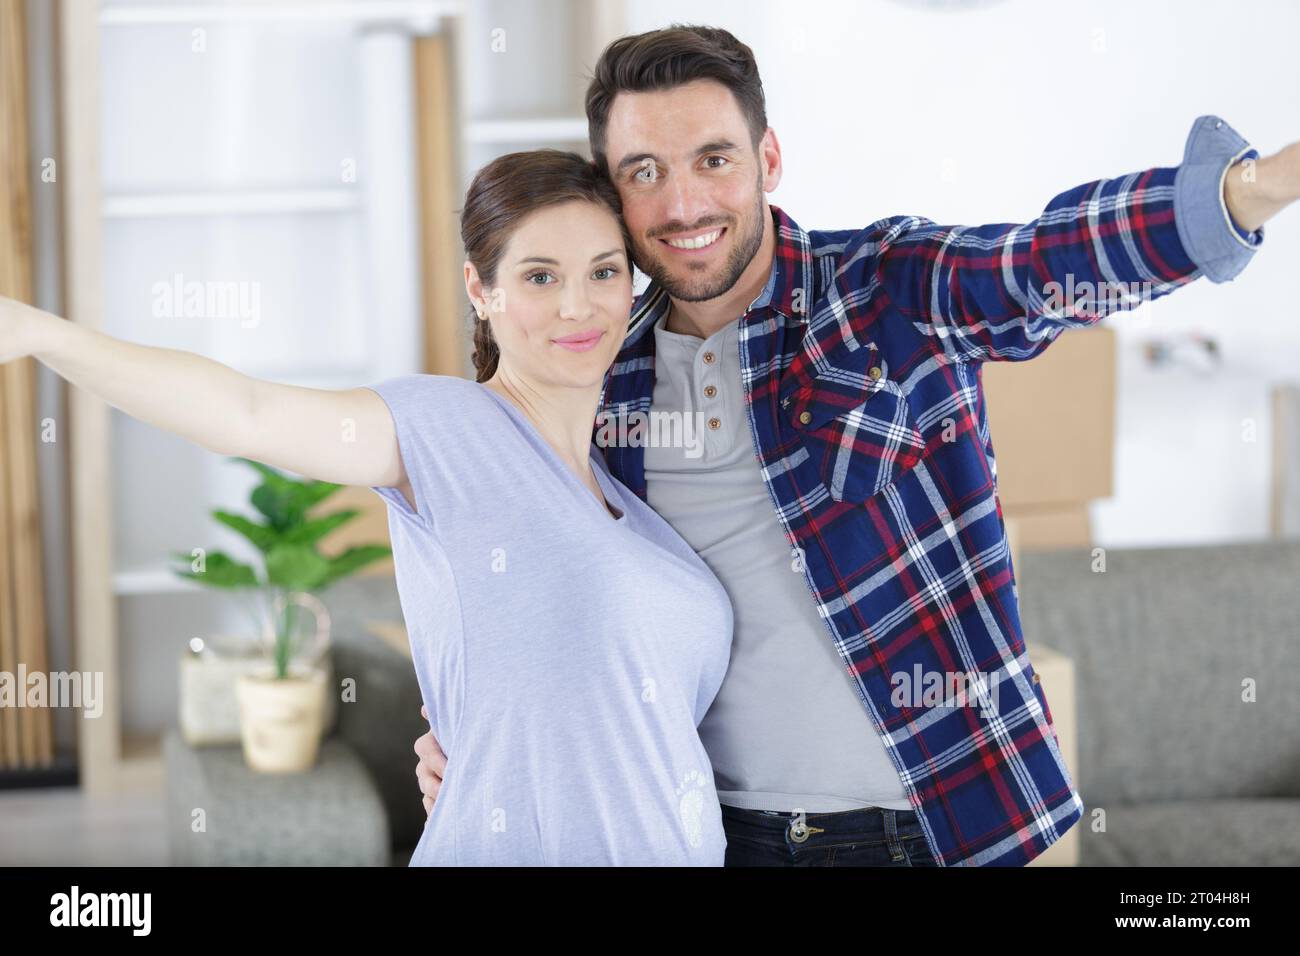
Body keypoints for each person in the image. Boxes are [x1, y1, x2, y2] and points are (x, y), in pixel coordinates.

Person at [414, 24, 1300, 867]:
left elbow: (1042, 265)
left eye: (713, 159)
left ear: (767, 160)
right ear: (615, 193)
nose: (683, 204)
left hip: (920, 831)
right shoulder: (604, 381)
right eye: (645, 172)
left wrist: (1251, 191)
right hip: (708, 835)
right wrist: (465, 732)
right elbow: (554, 599)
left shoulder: (886, 290)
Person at [0, 149, 735, 866]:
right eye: (539, 276)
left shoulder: (632, 495)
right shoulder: (446, 428)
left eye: (603, 272)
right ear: (481, 291)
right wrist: (40, 334)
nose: (577, 305)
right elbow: (245, 411)